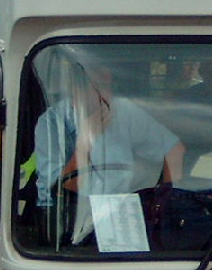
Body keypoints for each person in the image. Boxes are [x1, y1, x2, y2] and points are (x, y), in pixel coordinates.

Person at [33, 58, 186, 243]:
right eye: (100, 87)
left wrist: (163, 201)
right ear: (77, 91)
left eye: (110, 86)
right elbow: (63, 187)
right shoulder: (51, 123)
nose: (108, 95)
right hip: (68, 217)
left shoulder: (122, 111)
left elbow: (173, 149)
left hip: (118, 211)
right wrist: (86, 141)